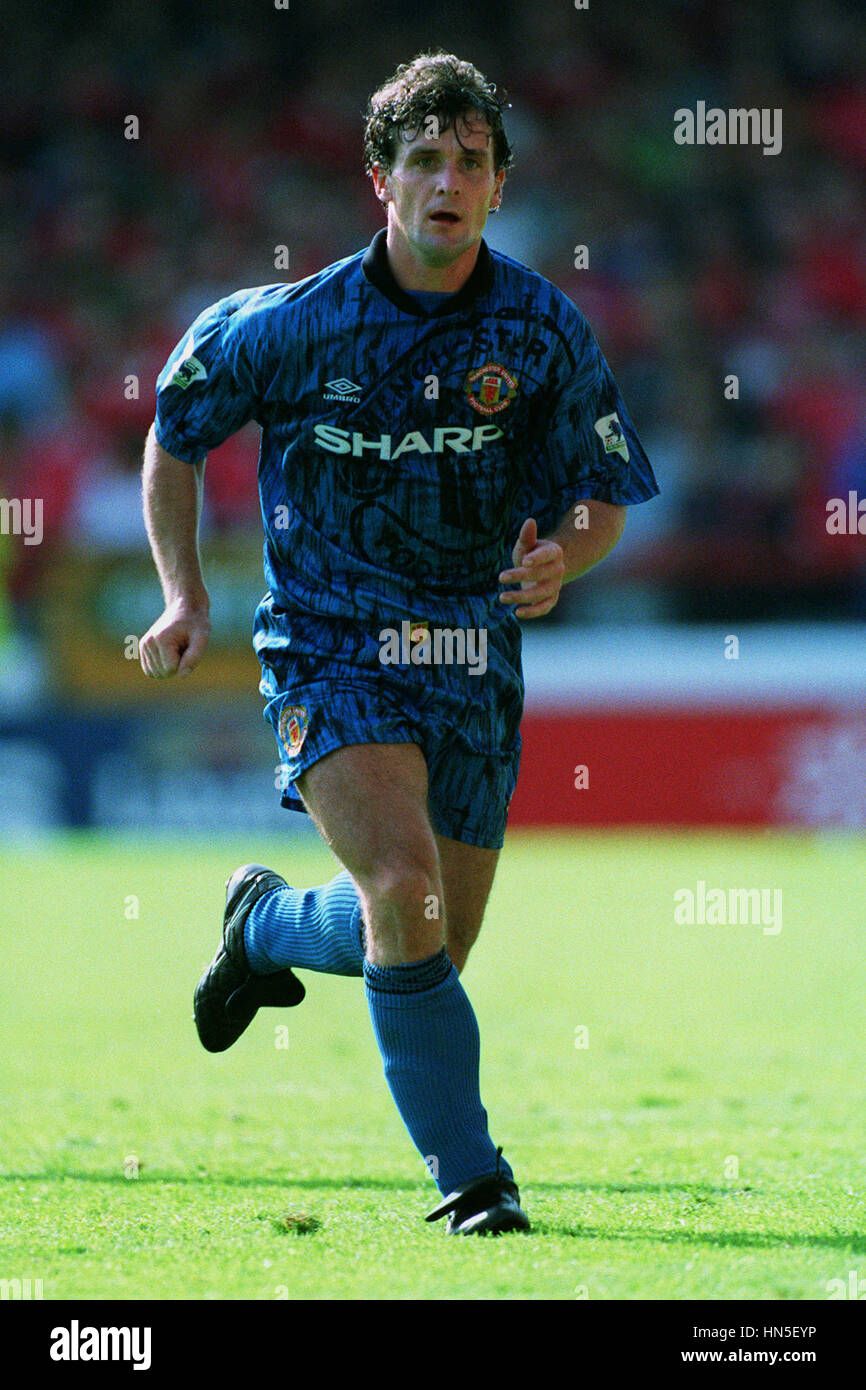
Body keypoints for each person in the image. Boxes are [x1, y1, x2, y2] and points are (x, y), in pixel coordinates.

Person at [139, 51, 659, 1235]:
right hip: (329, 643)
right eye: (422, 158)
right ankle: (474, 1179)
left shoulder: (539, 327)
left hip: (474, 657)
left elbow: (601, 496)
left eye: (469, 162)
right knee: (404, 894)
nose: (446, 180)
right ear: (379, 178)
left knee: (432, 939)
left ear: (496, 186)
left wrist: (558, 558)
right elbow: (177, 433)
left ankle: (261, 923)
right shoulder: (289, 322)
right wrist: (185, 595)